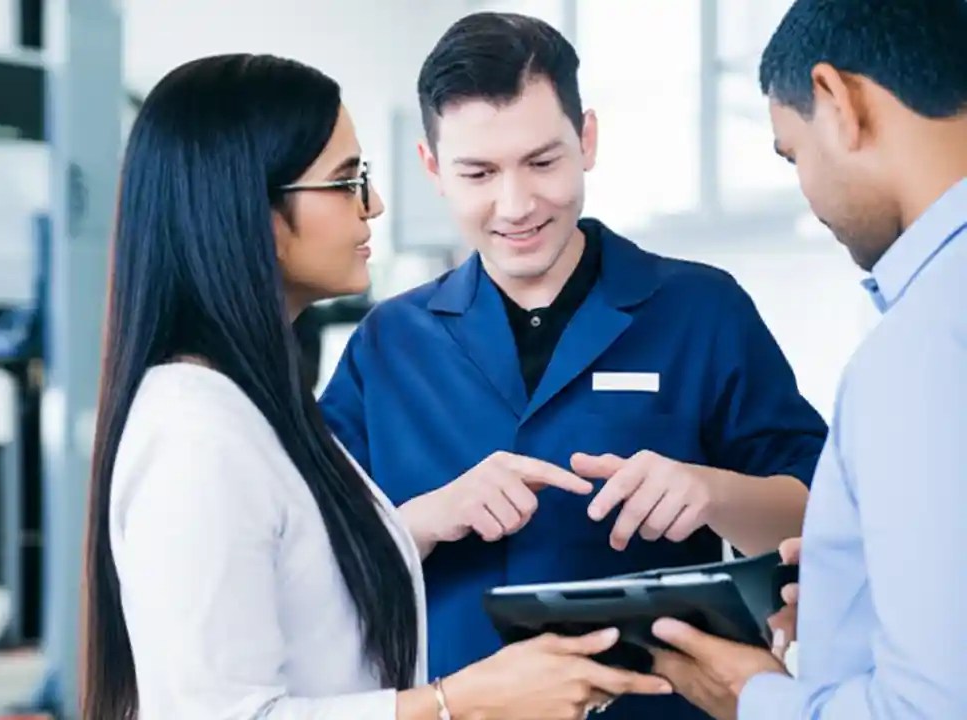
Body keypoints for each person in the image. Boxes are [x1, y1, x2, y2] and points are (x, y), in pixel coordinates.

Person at [81, 53, 674, 720]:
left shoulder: (252, 408)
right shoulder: (196, 438)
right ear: (258, 213)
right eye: (346, 181)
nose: (375, 203)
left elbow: (303, 583)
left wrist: (415, 523)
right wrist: (462, 702)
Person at [318, 12, 828, 720]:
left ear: (586, 139)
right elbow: (312, 563)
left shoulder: (701, 310)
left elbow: (827, 518)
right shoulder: (386, 345)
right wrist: (428, 518)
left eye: (542, 162)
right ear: (432, 168)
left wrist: (714, 493)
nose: (517, 204)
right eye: (479, 173)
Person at [644, 0, 967, 717]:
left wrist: (753, 696)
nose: (808, 191)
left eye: (792, 154)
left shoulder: (917, 350)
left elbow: (930, 709)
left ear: (836, 99)